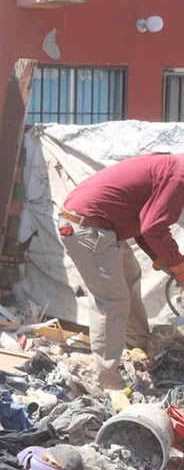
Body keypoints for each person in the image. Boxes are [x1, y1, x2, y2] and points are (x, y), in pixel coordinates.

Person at [56, 152, 184, 389]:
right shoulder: (180, 175)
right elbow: (154, 227)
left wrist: (163, 260)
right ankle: (107, 380)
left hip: (102, 226)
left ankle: (139, 345)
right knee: (112, 302)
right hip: (86, 226)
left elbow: (145, 220)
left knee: (130, 277)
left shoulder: (173, 165)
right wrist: (178, 265)